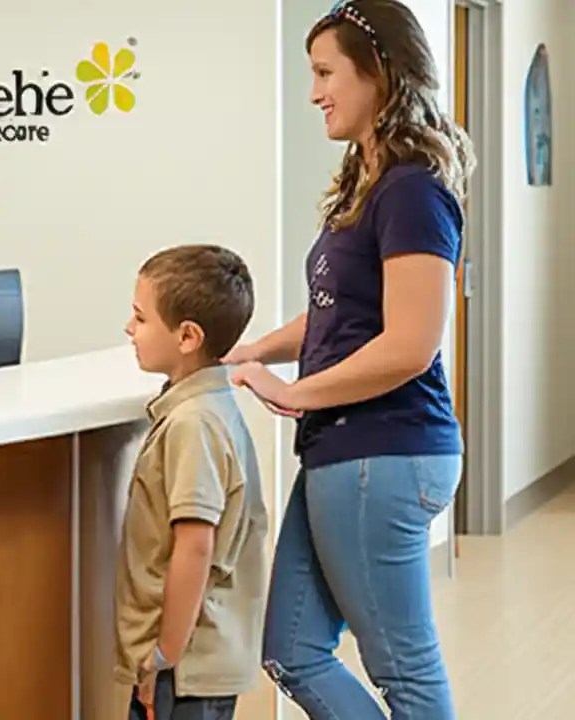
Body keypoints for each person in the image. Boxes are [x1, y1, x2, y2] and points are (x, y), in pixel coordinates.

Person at [225, 2, 474, 718]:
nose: (314, 92)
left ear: (380, 74)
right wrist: (254, 350)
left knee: (404, 671)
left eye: (326, 72)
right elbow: (341, 314)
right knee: (291, 649)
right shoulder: (370, 182)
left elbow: (408, 345)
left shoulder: (413, 190)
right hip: (348, 450)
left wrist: (297, 394)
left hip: (384, 453)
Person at [116, 245, 269, 720]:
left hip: (183, 668)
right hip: (189, 662)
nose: (129, 329)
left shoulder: (193, 424)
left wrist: (164, 655)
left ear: (186, 336)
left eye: (140, 319)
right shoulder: (206, 408)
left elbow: (195, 547)